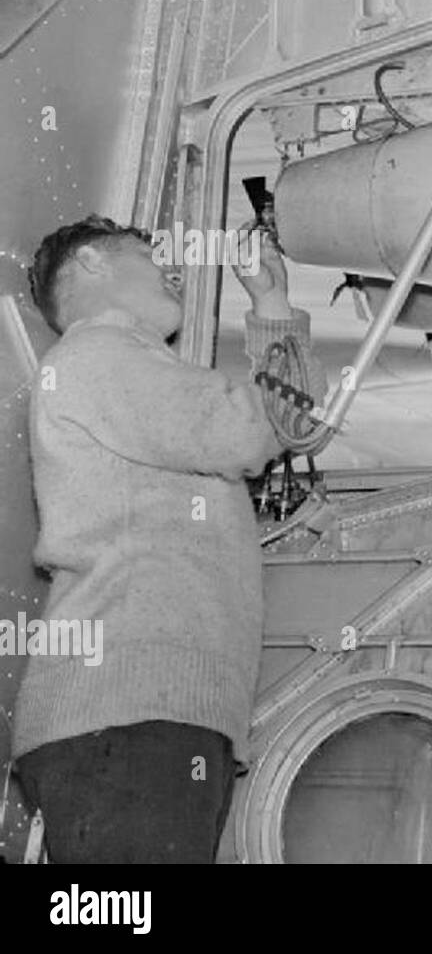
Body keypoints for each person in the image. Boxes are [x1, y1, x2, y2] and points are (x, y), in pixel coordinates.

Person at [12, 214, 325, 863]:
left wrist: (271, 304)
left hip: (144, 725)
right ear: (94, 262)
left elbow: (287, 426)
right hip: (127, 724)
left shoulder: (126, 367)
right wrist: (270, 311)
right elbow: (247, 431)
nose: (172, 266)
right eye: (148, 252)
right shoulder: (96, 354)